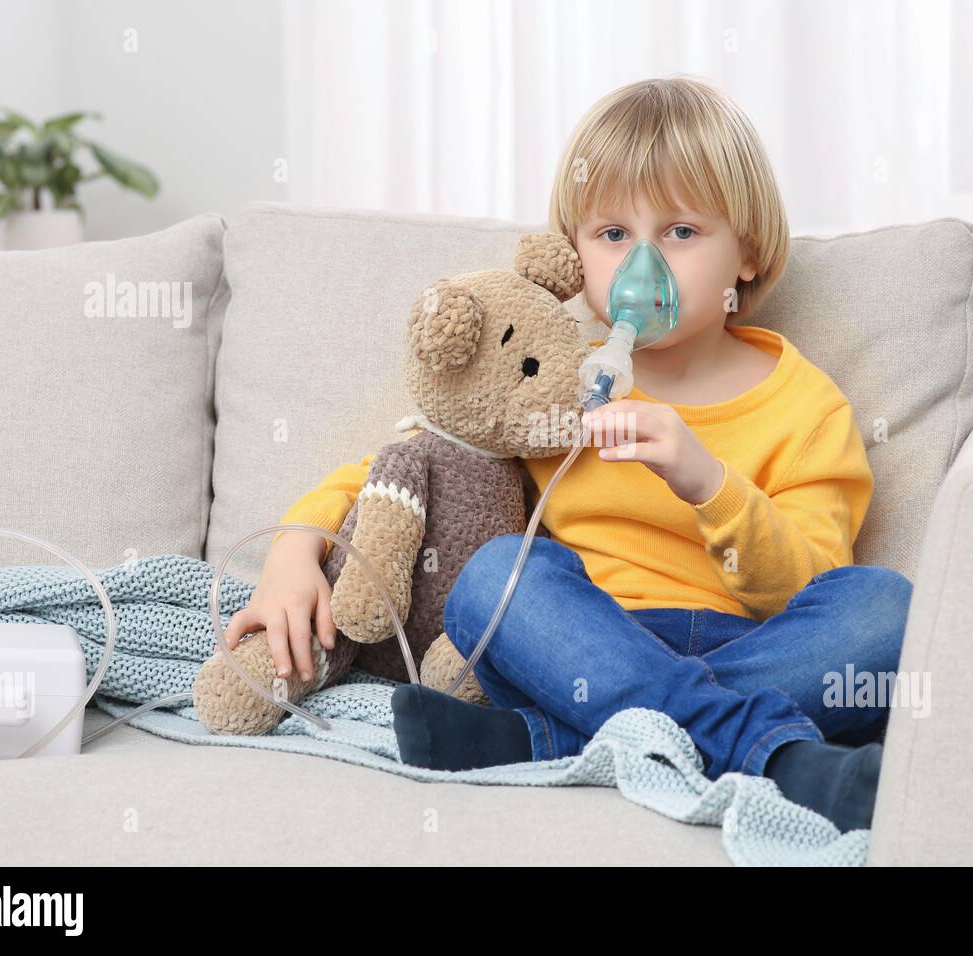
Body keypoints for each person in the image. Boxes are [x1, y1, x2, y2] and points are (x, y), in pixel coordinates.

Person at [228, 76, 912, 833]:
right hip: (579, 646)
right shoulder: (554, 378)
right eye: (612, 235)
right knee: (495, 576)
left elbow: (810, 583)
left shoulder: (805, 405)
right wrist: (295, 551)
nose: (640, 268)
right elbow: (398, 469)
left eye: (681, 232)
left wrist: (709, 482)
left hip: (752, 640)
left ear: (747, 252)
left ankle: (542, 740)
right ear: (573, 253)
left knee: (886, 608)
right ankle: (778, 757)